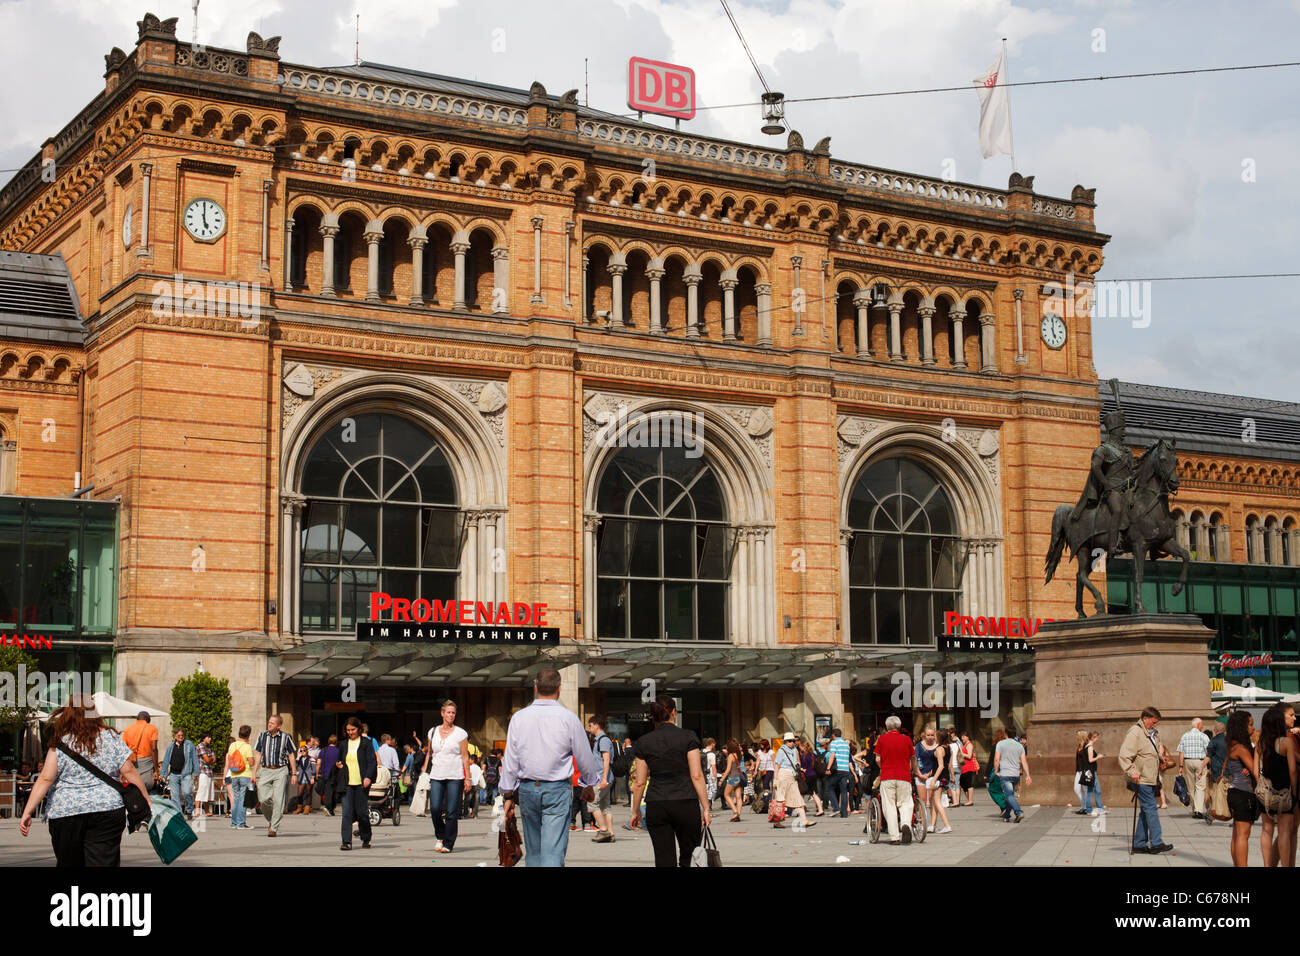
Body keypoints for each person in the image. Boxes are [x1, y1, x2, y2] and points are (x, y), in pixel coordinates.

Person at [19, 696, 150, 867]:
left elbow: (45, 778)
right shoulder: (110, 737)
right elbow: (129, 770)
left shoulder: (60, 742)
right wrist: (145, 798)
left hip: (66, 812)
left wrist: (27, 811)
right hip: (107, 808)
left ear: (68, 715)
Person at [500, 668, 599, 867]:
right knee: (553, 851)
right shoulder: (569, 718)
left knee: (534, 851)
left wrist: (508, 794)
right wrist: (588, 784)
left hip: (528, 788)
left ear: (535, 687)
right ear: (559, 689)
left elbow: (510, 759)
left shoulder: (519, 718)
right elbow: (584, 757)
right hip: (557, 789)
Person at [628, 695, 712, 866]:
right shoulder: (688, 737)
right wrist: (706, 807)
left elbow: (639, 782)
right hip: (685, 800)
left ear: (653, 716)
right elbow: (696, 775)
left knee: (663, 859)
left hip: (657, 803)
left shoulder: (644, 742)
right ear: (674, 712)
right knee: (689, 856)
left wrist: (635, 811)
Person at [1118, 705, 1171, 854]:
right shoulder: (1135, 732)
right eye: (1153, 722)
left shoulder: (1153, 733)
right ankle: (1156, 842)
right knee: (1151, 808)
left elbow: (1150, 751)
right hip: (1140, 778)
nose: (1155, 725)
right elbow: (1124, 755)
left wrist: (1160, 758)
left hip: (1150, 777)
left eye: (1156, 722)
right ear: (1145, 718)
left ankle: (1140, 844)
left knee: (1146, 811)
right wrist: (1132, 772)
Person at [423, 699, 472, 854]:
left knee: (451, 811)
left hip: (455, 775)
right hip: (437, 774)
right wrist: (424, 771)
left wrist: (468, 778)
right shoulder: (432, 731)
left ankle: (448, 843)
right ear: (442, 713)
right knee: (435, 808)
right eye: (448, 712)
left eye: (453, 713)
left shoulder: (461, 733)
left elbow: (465, 756)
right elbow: (429, 754)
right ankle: (441, 835)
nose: (451, 715)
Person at [1256, 704, 1297, 867]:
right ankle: (1286, 865)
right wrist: (1294, 790)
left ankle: (1267, 865)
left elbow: (1255, 771)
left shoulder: (1261, 743)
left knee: (1266, 830)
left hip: (1265, 794)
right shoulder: (1286, 742)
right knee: (1284, 831)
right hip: (1284, 791)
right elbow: (1293, 770)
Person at [250, 714, 298, 837]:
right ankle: (272, 819)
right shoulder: (262, 736)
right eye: (269, 722)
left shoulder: (285, 737)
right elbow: (258, 754)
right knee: (263, 799)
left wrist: (294, 773)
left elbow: (291, 755)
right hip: (265, 770)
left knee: (278, 800)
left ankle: (274, 827)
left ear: (278, 726)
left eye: (272, 723)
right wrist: (254, 773)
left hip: (280, 770)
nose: (269, 724)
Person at [875, 715, 919, 844]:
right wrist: (913, 770)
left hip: (887, 776)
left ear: (887, 727)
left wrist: (883, 767)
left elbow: (877, 759)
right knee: (906, 803)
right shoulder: (907, 739)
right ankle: (905, 824)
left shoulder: (881, 739)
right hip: (904, 776)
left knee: (889, 805)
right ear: (899, 727)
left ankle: (894, 837)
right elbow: (913, 758)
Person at [1224, 710, 1258, 867]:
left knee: (1236, 835)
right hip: (1244, 793)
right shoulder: (1242, 748)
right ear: (1241, 727)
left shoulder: (1232, 744)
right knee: (1243, 835)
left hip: (1234, 791)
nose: (1252, 728)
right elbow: (1256, 772)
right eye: (1250, 724)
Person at [335, 716, 375, 850]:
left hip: (361, 783)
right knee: (346, 812)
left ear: (359, 729)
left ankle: (366, 836)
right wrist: (339, 765)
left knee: (362, 813)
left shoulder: (366, 743)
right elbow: (339, 761)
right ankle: (346, 841)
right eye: (348, 730)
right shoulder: (343, 744)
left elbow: (371, 762)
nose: (350, 732)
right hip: (347, 783)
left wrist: (368, 777)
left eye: (352, 729)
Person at [770, 732, 815, 830]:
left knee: (797, 797)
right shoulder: (782, 750)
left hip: (792, 775)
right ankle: (777, 822)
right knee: (780, 798)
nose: (792, 742)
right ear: (785, 742)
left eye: (793, 741)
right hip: (783, 774)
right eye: (789, 741)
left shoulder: (795, 750)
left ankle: (804, 820)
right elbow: (776, 765)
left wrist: (798, 766)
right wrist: (775, 779)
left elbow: (797, 761)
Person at [587, 716, 617, 843]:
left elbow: (606, 760)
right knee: (605, 805)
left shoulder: (603, 740)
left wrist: (604, 779)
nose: (589, 729)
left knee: (592, 803)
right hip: (604, 777)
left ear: (596, 725)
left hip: (601, 777)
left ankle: (603, 829)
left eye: (590, 726)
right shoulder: (602, 739)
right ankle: (610, 833)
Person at [160, 728, 199, 820]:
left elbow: (194, 758)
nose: (181, 737)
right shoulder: (171, 746)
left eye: (182, 735)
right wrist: (163, 773)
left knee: (187, 793)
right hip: (173, 774)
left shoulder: (189, 744)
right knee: (175, 796)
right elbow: (166, 761)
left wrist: (196, 772)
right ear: (175, 737)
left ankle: (189, 810)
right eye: (179, 736)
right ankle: (179, 814)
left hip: (186, 774)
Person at [1176, 717, 1211, 820]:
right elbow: (1208, 752)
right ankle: (1198, 811)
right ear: (1199, 725)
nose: (1202, 726)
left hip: (1188, 761)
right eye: (1202, 725)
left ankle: (1194, 809)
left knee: (1191, 786)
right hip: (1200, 761)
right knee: (1200, 786)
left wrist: (1181, 766)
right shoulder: (1203, 736)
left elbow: (1181, 752)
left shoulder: (1185, 736)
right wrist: (1208, 765)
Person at [994, 727, 1031, 824]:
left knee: (1009, 795)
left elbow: (997, 758)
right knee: (1009, 796)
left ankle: (1019, 812)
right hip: (1015, 774)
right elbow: (1024, 761)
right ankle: (1006, 816)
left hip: (1005, 774)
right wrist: (1028, 775)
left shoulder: (1000, 744)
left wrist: (996, 770)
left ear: (1005, 734)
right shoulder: (1019, 746)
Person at [121, 710, 159, 793]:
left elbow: (123, 749)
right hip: (147, 762)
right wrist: (156, 769)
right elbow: (154, 749)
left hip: (132, 762)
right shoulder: (152, 728)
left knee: (135, 788)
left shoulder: (128, 729)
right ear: (147, 719)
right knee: (148, 787)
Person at [226, 726, 255, 829]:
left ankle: (234, 823)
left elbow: (229, 759)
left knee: (236, 798)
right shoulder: (247, 746)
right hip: (245, 774)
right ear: (248, 735)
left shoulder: (232, 745)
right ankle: (241, 823)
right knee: (243, 799)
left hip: (234, 775)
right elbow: (251, 762)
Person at [929, 730, 953, 833]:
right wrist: (952, 777)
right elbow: (950, 765)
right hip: (945, 776)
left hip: (939, 777)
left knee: (937, 802)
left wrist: (933, 780)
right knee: (935, 801)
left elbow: (941, 766)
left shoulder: (939, 749)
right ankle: (932, 825)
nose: (934, 737)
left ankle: (947, 825)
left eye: (935, 736)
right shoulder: (949, 748)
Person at [826, 728, 853, 818]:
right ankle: (844, 813)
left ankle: (836, 808)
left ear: (833, 735)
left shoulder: (834, 743)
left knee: (829, 788)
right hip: (845, 770)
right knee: (844, 791)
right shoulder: (846, 744)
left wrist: (828, 768)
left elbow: (832, 756)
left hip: (837, 769)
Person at [798, 738, 824, 815]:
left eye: (800, 746)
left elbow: (804, 768)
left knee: (802, 793)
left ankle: (800, 810)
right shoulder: (812, 754)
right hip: (813, 775)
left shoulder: (804, 756)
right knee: (813, 793)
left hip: (807, 776)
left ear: (803, 747)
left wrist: (801, 769)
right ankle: (820, 809)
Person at [1082, 731, 1106, 816]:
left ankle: (1097, 809)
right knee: (1094, 791)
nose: (1097, 739)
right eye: (1096, 737)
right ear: (1093, 738)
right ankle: (1094, 809)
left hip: (1089, 771)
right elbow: (1090, 760)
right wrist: (1098, 757)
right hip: (1091, 771)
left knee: (1092, 790)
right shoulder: (1090, 747)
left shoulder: (1087, 746)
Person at [317, 733, 341, 816]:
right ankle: (330, 807)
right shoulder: (338, 751)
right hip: (335, 774)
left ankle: (329, 808)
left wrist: (316, 772)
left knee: (328, 791)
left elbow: (318, 763)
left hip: (325, 773)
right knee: (333, 791)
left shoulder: (323, 750)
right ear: (336, 742)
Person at [721, 738, 744, 822]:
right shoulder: (740, 754)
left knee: (726, 795)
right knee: (738, 797)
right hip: (739, 777)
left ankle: (735, 812)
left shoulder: (731, 756)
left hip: (732, 777)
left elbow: (728, 769)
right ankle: (738, 814)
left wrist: (721, 780)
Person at [195, 730, 216, 819]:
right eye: (208, 737)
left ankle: (207, 811)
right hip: (202, 771)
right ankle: (197, 809)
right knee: (201, 790)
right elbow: (206, 759)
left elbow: (214, 759)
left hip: (209, 771)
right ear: (204, 738)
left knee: (207, 791)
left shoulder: (210, 747)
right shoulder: (200, 746)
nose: (210, 739)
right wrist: (209, 759)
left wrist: (209, 759)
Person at [293, 741, 315, 814]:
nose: (303, 752)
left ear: (307, 751)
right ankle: (299, 807)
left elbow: (313, 768)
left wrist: (313, 777)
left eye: (304, 750)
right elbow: (295, 766)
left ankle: (307, 808)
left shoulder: (311, 759)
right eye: (301, 750)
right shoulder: (299, 759)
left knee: (308, 793)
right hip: (301, 777)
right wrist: (298, 757)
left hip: (308, 777)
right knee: (299, 793)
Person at [958, 733, 978, 806]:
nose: (962, 738)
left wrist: (962, 754)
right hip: (964, 767)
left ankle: (970, 800)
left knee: (968, 784)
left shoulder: (969, 745)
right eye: (961, 737)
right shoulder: (965, 745)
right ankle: (968, 800)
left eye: (963, 736)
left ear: (968, 737)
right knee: (963, 784)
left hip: (968, 767)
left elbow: (969, 756)